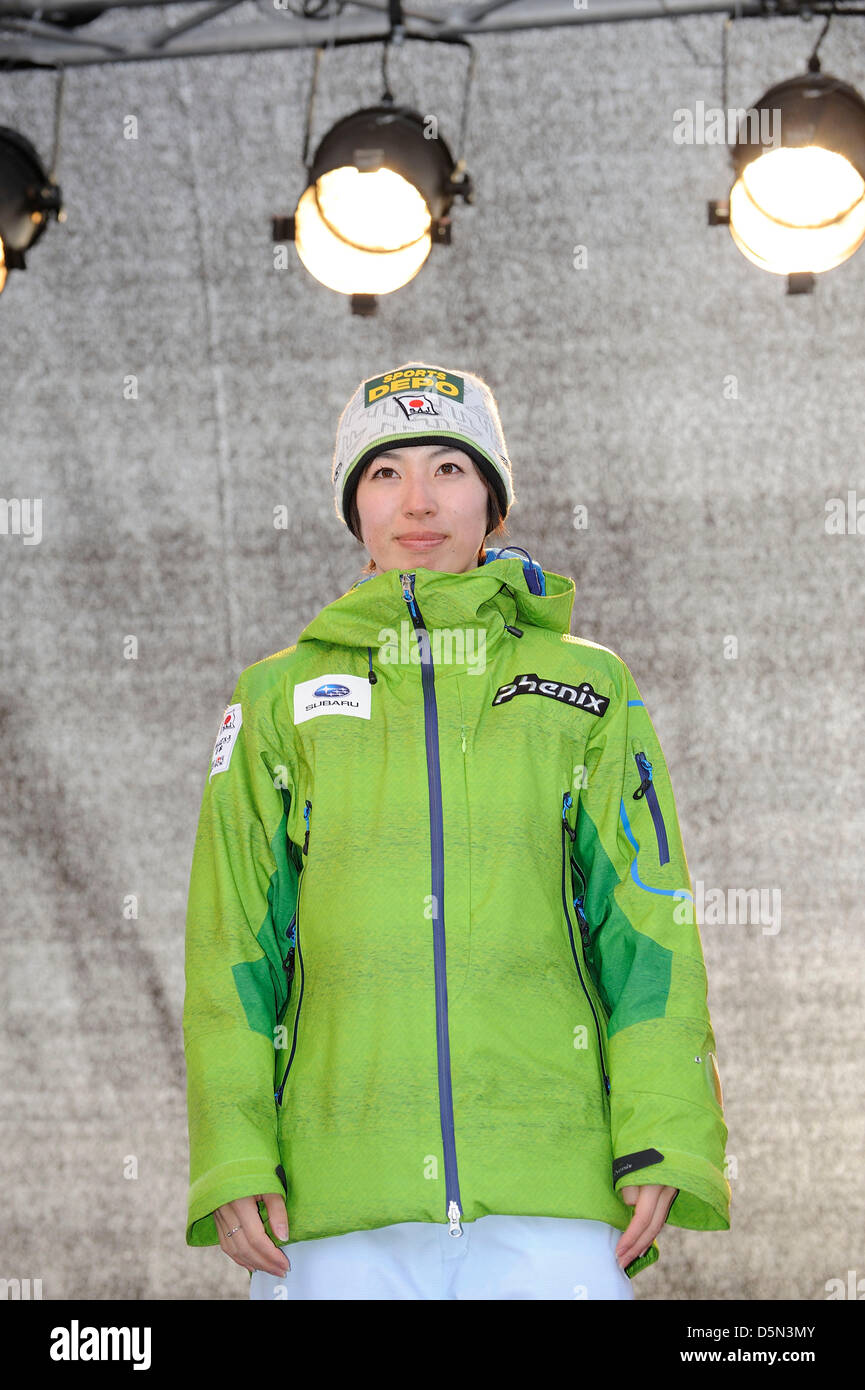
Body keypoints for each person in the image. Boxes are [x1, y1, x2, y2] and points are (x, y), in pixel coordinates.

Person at [182, 361, 731, 1300]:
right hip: (335, 1197)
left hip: (551, 1192)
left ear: (494, 500)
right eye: (385, 473)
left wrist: (666, 1131)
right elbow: (230, 946)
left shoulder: (587, 686)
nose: (419, 501)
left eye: (450, 468)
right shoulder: (276, 698)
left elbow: (648, 932)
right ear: (354, 506)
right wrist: (233, 1154)